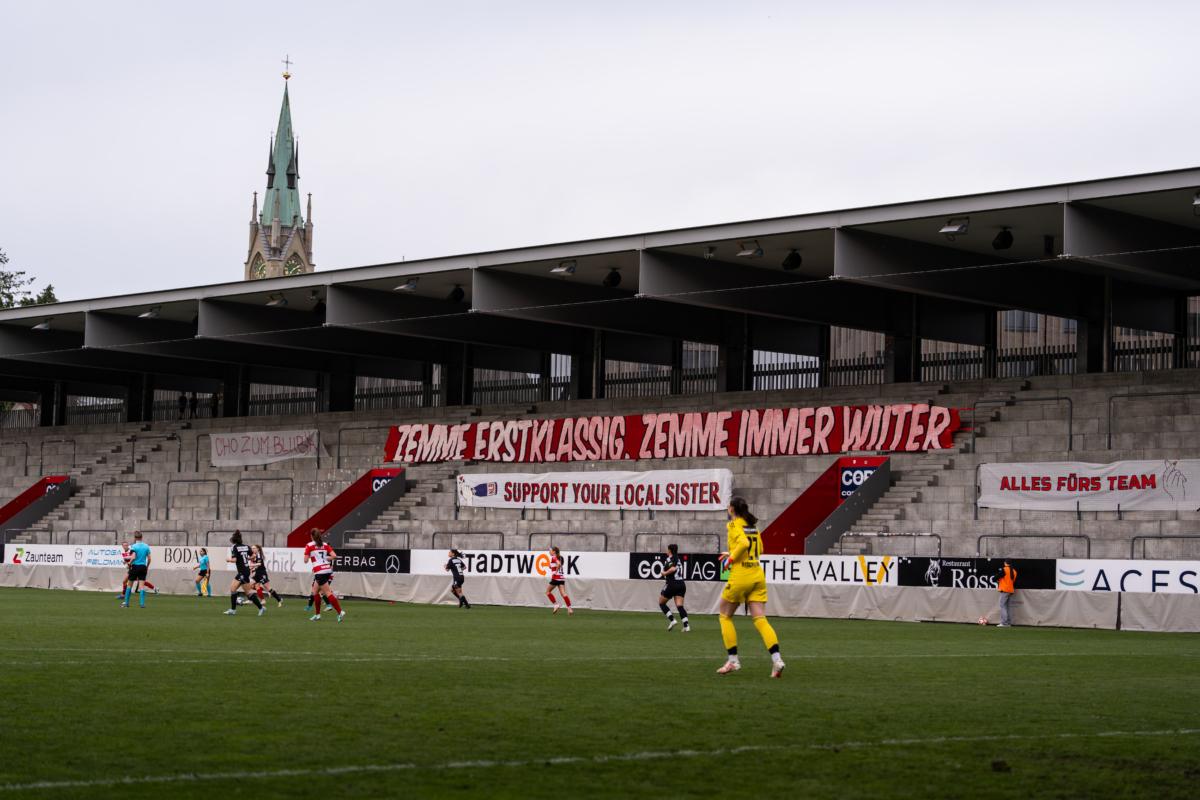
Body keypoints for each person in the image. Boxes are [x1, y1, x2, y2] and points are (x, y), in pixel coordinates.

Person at [716, 496, 785, 677]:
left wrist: (730, 559)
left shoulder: (732, 525)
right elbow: (759, 549)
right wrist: (732, 552)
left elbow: (744, 544)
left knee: (724, 615)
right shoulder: (753, 526)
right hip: (757, 575)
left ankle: (733, 662)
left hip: (741, 576)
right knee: (760, 619)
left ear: (731, 509)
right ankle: (777, 660)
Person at [303, 529, 344, 622]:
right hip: (327, 570)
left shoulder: (309, 545)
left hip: (319, 571)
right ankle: (317, 614)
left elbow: (305, 560)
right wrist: (326, 560)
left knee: (327, 593)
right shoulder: (325, 545)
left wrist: (308, 555)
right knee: (315, 591)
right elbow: (334, 556)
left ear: (311, 536)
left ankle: (340, 612)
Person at [224, 530, 265, 616]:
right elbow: (253, 555)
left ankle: (261, 607)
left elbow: (234, 560)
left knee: (248, 592)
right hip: (245, 570)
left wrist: (228, 560)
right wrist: (246, 559)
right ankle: (233, 609)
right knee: (233, 589)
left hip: (243, 571)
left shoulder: (234, 547)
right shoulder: (246, 547)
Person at [657, 543, 689, 632]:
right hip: (681, 584)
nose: (666, 550)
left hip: (672, 584)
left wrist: (664, 573)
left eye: (667, 549)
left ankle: (672, 620)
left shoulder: (670, 559)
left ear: (669, 550)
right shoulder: (678, 559)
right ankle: (686, 626)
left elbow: (673, 569)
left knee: (661, 603)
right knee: (680, 606)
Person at [123, 532, 154, 609]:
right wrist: (147, 566)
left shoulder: (133, 546)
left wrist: (129, 564)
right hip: (143, 567)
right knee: (141, 586)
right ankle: (142, 604)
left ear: (134, 538)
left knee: (129, 584)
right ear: (142, 538)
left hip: (135, 567)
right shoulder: (146, 546)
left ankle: (126, 603)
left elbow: (133, 557)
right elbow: (149, 558)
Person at [544, 545, 572, 615]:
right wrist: (552, 567)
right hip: (562, 578)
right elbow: (561, 567)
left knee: (547, 591)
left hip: (556, 578)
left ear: (554, 552)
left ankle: (555, 604)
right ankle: (569, 608)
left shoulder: (554, 557)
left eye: (550, 551)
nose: (549, 552)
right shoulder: (558, 558)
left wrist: (555, 572)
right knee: (564, 594)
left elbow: (558, 564)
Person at [997, 559, 1017, 627]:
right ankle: (1008, 622)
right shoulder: (1014, 571)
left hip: (1004, 590)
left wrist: (996, 580)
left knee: (1002, 606)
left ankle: (1004, 623)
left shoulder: (1005, 569)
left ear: (1005, 563)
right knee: (1008, 607)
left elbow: (995, 577)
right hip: (1010, 590)